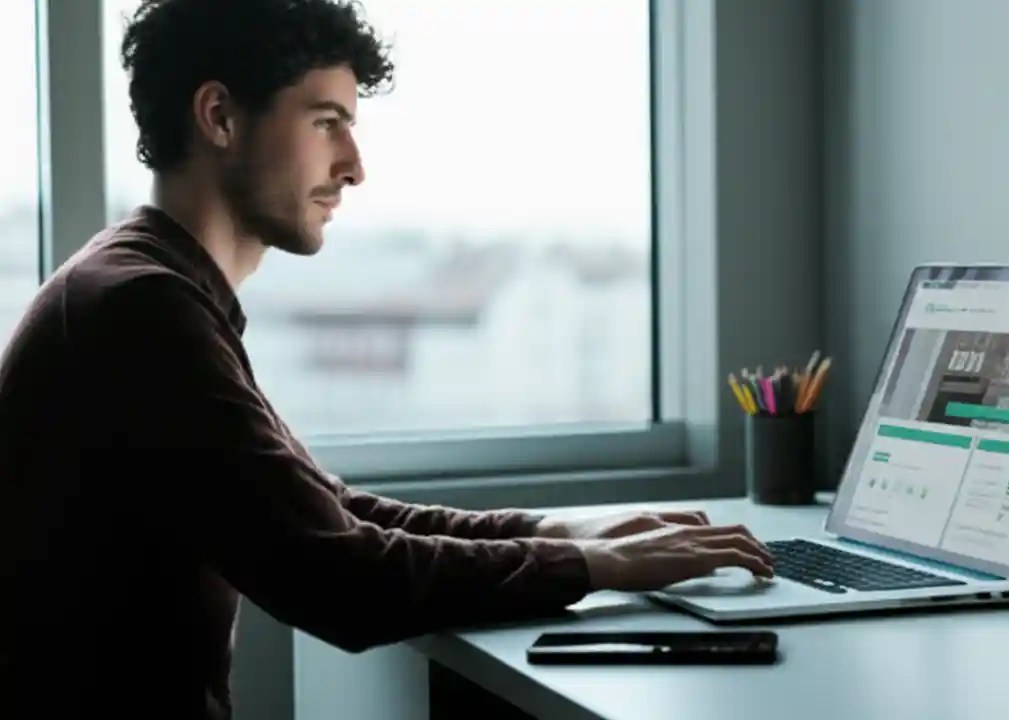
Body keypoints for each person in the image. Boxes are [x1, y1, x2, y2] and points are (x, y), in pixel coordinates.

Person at [0, 1, 774, 717]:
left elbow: (324, 510)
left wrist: (565, 531)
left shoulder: (145, 287)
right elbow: (340, 575)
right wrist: (596, 567)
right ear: (220, 117)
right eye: (326, 122)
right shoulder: (140, 309)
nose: (354, 165)